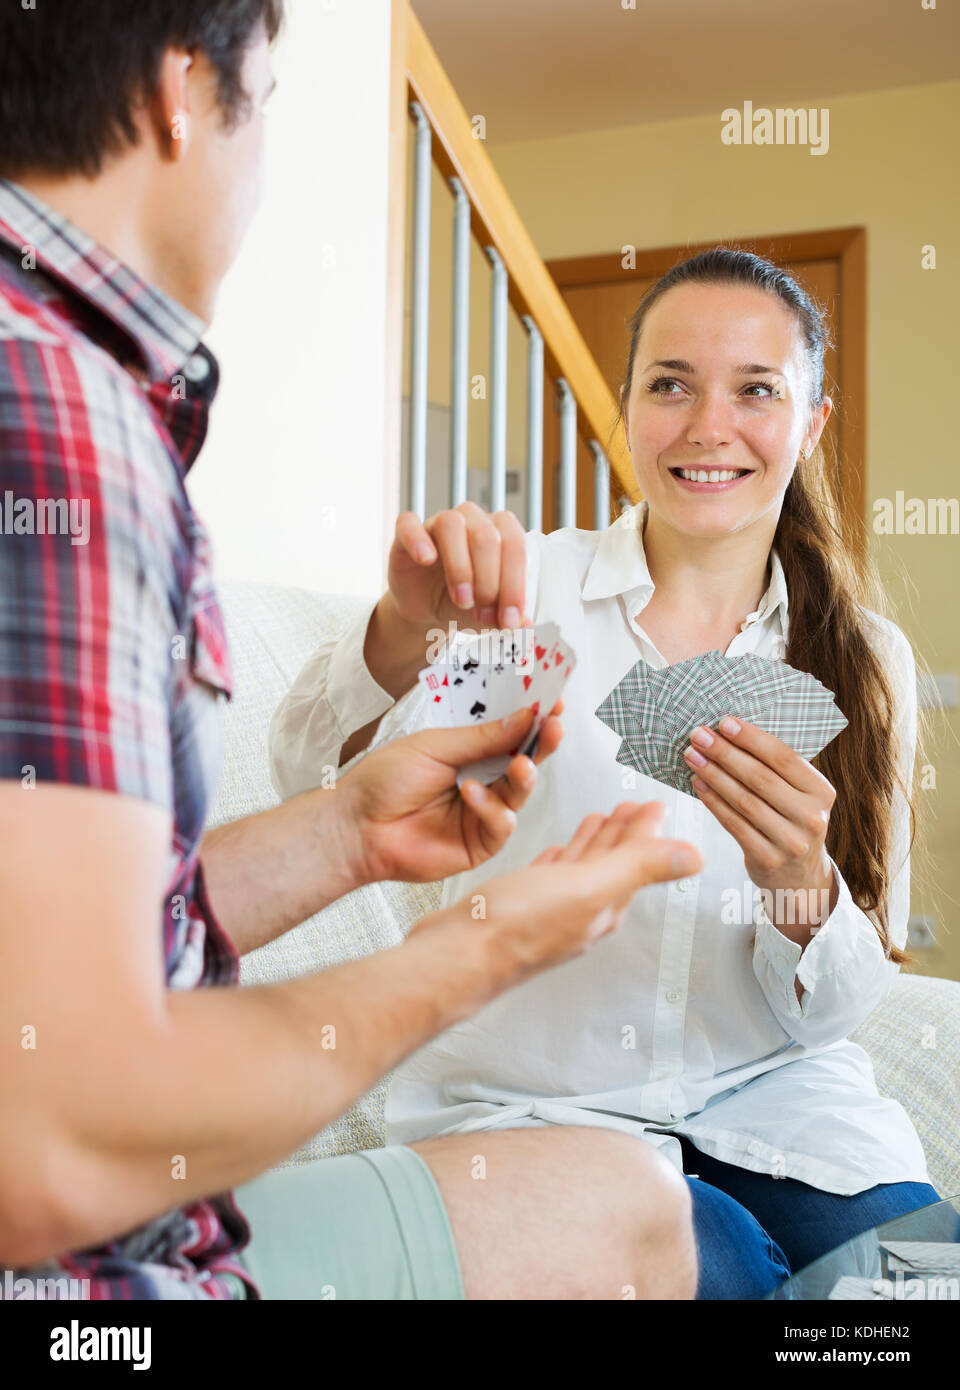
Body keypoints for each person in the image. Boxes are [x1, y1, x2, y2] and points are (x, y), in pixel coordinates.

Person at [0, 1, 705, 1301]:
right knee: (635, 1208)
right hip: (84, 1284)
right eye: (263, 101)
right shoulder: (56, 413)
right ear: (177, 93)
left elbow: (49, 949)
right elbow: (55, 1133)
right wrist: (492, 937)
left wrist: (345, 832)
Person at [270, 246, 943, 1299]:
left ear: (811, 423)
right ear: (627, 406)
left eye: (756, 391)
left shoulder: (868, 658)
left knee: (921, 1282)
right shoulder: (525, 592)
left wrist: (801, 887)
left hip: (785, 1108)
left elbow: (840, 1008)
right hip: (546, 1110)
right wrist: (403, 630)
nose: (708, 426)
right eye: (670, 384)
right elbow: (314, 773)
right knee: (722, 1265)